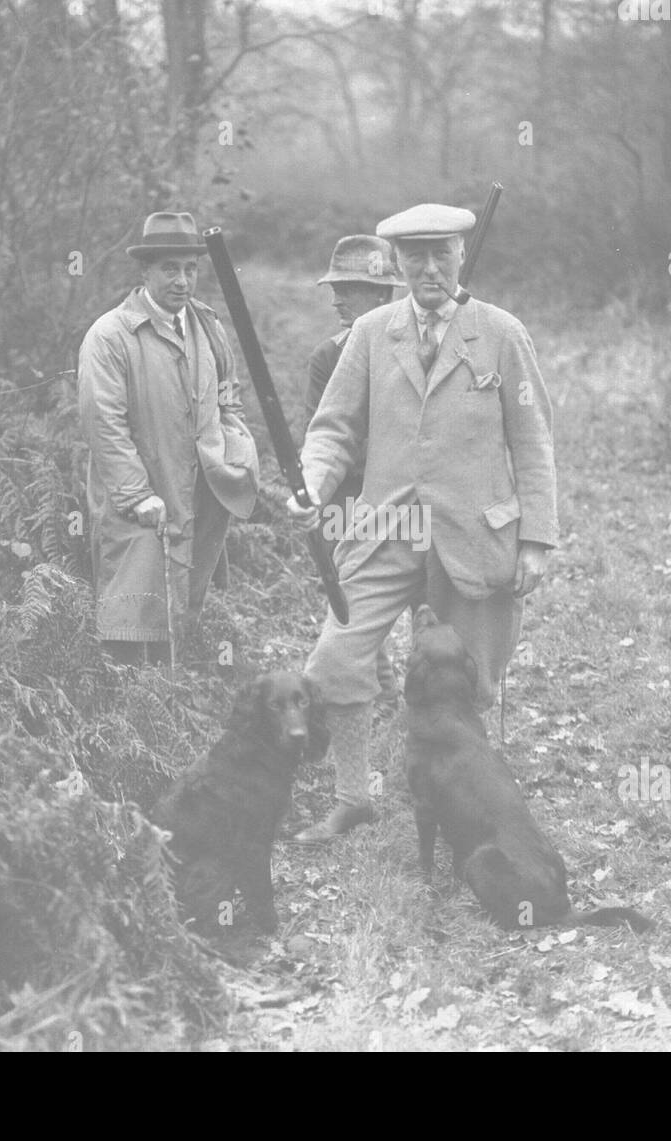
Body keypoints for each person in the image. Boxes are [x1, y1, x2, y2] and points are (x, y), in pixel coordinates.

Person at [288, 203, 557, 840]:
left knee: (467, 679)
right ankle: (354, 796)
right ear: (398, 264)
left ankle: (464, 799)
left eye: (442, 254)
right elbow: (333, 428)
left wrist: (537, 539)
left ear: (461, 255)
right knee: (336, 657)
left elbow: (534, 441)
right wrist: (312, 486)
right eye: (415, 257)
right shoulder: (373, 332)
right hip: (386, 530)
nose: (429, 268)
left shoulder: (501, 332)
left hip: (474, 532)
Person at [78, 212, 259, 666]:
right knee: (130, 613)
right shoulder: (110, 336)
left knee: (183, 609)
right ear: (145, 272)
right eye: (169, 269)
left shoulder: (209, 328)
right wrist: (137, 493)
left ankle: (169, 706)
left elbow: (228, 398)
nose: (182, 281)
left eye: (190, 269)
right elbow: (104, 423)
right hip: (136, 501)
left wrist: (234, 453)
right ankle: (123, 717)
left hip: (198, 494)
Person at [305, 234, 403, 708]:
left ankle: (428, 704)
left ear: (384, 293)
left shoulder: (420, 350)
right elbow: (327, 437)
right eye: (335, 288)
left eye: (351, 288)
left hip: (408, 499)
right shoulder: (329, 357)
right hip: (347, 500)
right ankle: (381, 690)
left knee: (430, 600)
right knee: (351, 605)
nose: (337, 299)